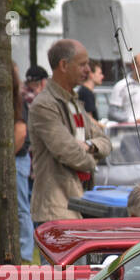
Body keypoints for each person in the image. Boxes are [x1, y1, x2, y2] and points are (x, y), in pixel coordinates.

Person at [29, 39, 112, 227]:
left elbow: (105, 141)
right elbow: (68, 152)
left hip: (77, 204)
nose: (88, 70)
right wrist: (93, 162)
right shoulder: (44, 105)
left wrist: (90, 146)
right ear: (64, 65)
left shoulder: (73, 102)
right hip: (55, 209)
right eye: (82, 64)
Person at [17, 65, 47, 259]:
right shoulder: (35, 99)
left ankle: (28, 250)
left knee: (27, 207)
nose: (33, 87)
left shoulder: (24, 97)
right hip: (33, 158)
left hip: (29, 157)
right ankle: (29, 251)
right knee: (29, 207)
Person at [108, 53, 140, 125]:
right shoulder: (121, 86)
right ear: (133, 66)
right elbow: (112, 113)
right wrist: (132, 120)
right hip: (130, 132)